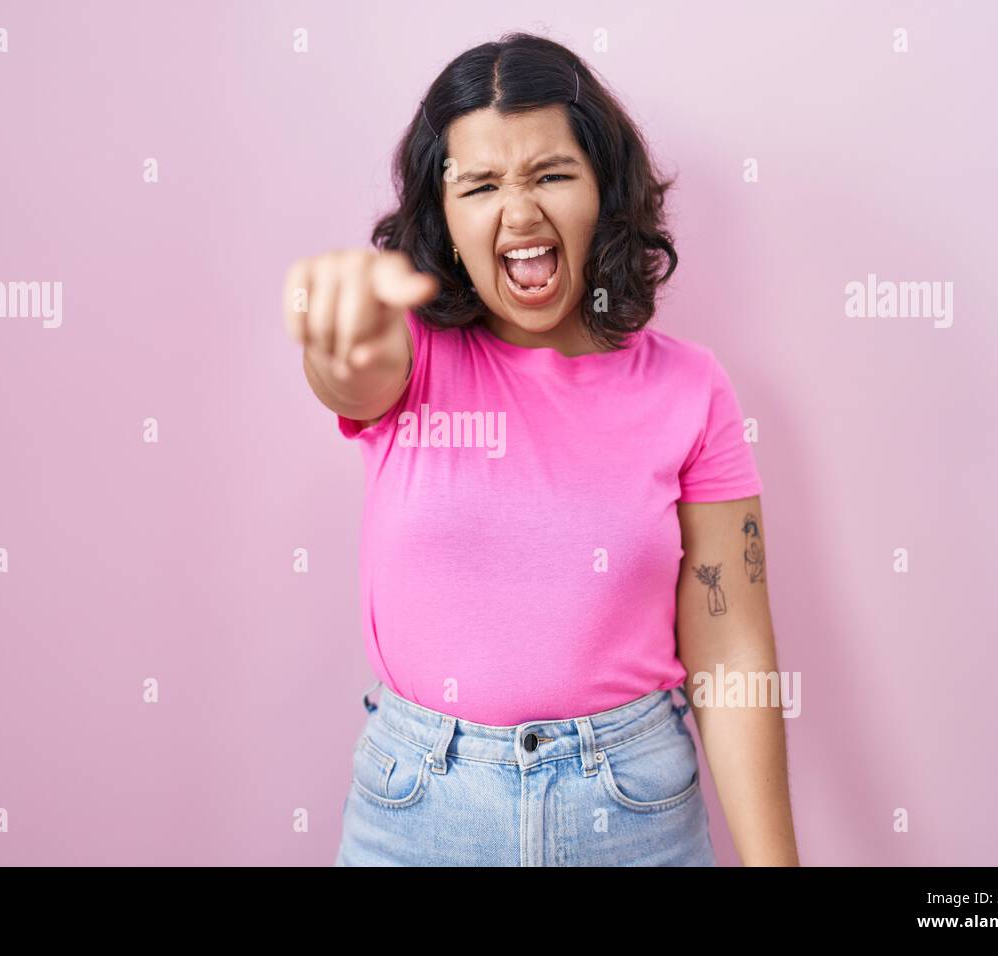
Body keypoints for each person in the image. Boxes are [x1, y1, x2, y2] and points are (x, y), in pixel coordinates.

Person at [283, 32, 798, 866]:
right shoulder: (410, 356)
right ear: (443, 220)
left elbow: (730, 643)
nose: (519, 214)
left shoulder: (692, 390)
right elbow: (351, 373)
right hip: (418, 812)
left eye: (551, 175)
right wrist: (336, 339)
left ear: (604, 189)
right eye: (480, 185)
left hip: (635, 808)